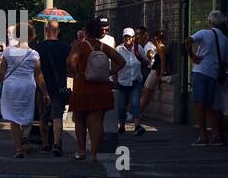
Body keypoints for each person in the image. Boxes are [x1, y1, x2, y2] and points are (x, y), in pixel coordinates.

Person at [66, 17, 124, 164]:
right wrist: (109, 73)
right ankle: (93, 154)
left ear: (85, 31)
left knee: (79, 119)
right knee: (96, 121)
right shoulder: (103, 46)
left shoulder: (80, 45)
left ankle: (81, 151)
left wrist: (78, 74)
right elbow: (121, 61)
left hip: (83, 86)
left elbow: (71, 61)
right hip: (101, 87)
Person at [0, 23, 49, 158]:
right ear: (31, 36)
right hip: (27, 87)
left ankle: (18, 149)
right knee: (27, 114)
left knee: (13, 119)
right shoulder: (34, 54)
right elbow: (39, 75)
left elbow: (1, 72)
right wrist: (45, 93)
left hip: (10, 87)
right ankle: (26, 136)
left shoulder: (8, 52)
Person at [184, 10, 228, 146]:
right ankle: (216, 134)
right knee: (210, 106)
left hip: (200, 71)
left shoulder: (204, 33)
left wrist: (192, 56)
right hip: (214, 74)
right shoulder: (225, 40)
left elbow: (187, 41)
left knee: (199, 104)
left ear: (210, 22)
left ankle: (203, 136)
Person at [32, 20, 71, 156]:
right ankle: (56, 143)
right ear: (58, 30)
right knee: (57, 117)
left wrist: (43, 91)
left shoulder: (39, 47)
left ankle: (45, 144)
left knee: (43, 117)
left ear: (46, 29)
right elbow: (69, 66)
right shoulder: (66, 47)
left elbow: (37, 71)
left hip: (43, 87)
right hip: (60, 87)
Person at [113, 27, 146, 136]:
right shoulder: (119, 49)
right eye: (125, 37)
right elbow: (114, 64)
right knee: (122, 106)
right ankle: (122, 126)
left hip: (135, 80)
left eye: (129, 37)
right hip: (123, 82)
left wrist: (140, 57)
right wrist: (114, 79)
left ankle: (137, 126)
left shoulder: (139, 48)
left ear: (133, 38)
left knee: (135, 104)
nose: (127, 39)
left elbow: (146, 61)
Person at [140, 29, 168, 114]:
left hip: (155, 71)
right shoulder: (162, 46)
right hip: (155, 70)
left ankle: (137, 113)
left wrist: (161, 74)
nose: (152, 40)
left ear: (156, 38)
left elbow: (162, 61)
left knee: (146, 93)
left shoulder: (159, 47)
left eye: (153, 38)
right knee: (146, 93)